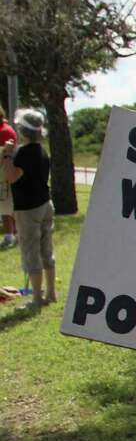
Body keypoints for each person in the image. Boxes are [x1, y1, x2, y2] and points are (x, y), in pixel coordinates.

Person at [2, 110, 53, 307]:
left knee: (31, 252)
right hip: (45, 203)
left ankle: (37, 298)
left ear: (23, 130)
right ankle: (50, 293)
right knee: (46, 250)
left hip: (28, 208)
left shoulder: (23, 153)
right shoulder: (42, 150)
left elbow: (12, 176)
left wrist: (7, 154)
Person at [0, 105, 16, 249]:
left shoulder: (5, 131)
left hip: (5, 175)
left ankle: (11, 236)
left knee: (8, 206)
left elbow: (6, 153)